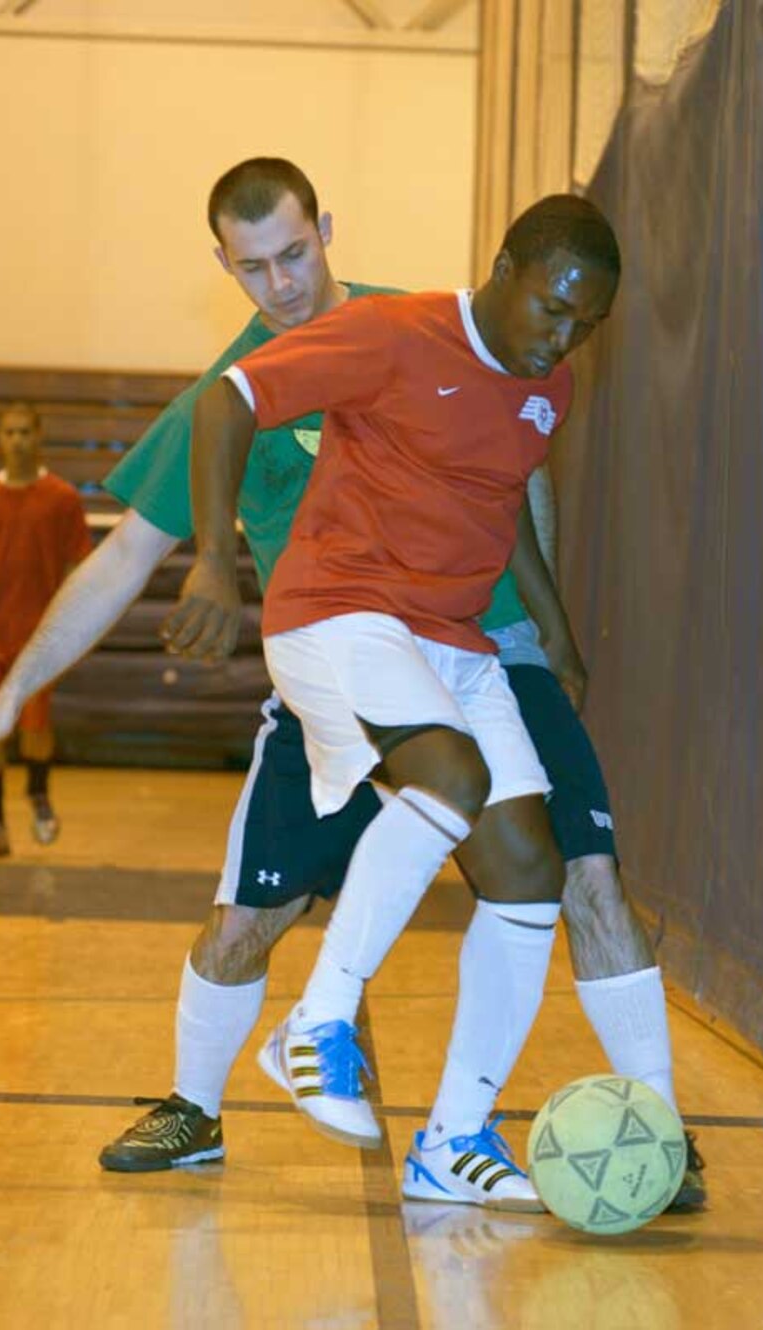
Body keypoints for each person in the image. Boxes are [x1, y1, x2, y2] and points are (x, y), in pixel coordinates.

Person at [0, 159, 700, 1210]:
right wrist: (8, 690)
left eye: (294, 254)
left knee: (565, 872)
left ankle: (609, 1131)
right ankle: (205, 1096)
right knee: (256, 911)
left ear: (325, 231)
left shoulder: (486, 339)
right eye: (252, 267)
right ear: (224, 267)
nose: (280, 284)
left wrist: (549, 632)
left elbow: (506, 492)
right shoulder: (291, 367)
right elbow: (124, 558)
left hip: (476, 647)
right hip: (339, 645)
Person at [164, 190, 632, 1209]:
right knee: (451, 777)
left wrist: (550, 626)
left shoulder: (539, 385)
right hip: (337, 616)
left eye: (585, 324)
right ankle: (314, 1020)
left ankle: (454, 1138)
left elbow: (496, 495)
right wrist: (211, 562)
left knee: (526, 872)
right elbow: (228, 398)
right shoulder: (390, 331)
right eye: (554, 308)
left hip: (452, 640)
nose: (564, 336)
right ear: (504, 269)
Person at [0, 403, 91, 857]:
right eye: (9, 432)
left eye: (26, 431)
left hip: (39, 638)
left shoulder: (63, 499)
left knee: (35, 727)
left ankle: (39, 793)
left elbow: (78, 568)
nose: (18, 440)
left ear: (40, 435)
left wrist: (74, 632)